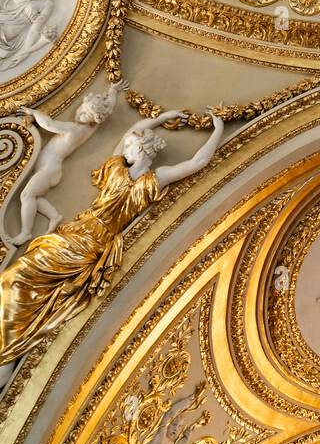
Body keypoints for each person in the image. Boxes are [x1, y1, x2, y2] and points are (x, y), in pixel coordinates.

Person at [0, 110, 224, 392]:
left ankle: (8, 350)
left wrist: (217, 128)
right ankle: (9, 347)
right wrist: (163, 117)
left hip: (85, 243)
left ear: (137, 150)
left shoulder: (145, 179)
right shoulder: (135, 175)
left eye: (129, 145)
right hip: (76, 237)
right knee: (16, 280)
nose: (124, 147)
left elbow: (197, 162)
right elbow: (149, 136)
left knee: (19, 282)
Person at [4, 81, 128, 246]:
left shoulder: (73, 129)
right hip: (49, 170)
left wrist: (33, 112)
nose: (80, 114)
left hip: (49, 170)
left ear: (94, 119)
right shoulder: (91, 127)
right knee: (34, 196)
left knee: (26, 196)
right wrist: (112, 92)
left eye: (85, 114)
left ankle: (26, 232)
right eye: (82, 109)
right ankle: (55, 216)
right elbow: (107, 109)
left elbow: (48, 124)